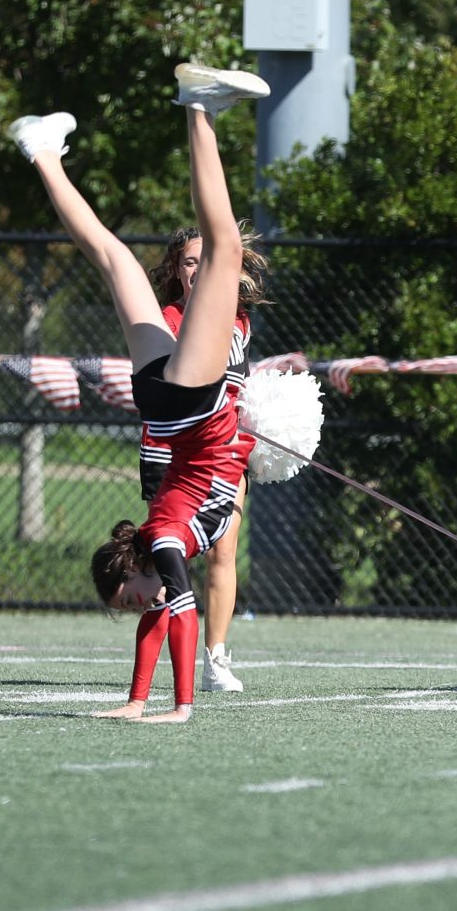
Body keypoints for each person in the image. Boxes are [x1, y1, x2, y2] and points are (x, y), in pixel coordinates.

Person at [9, 62, 268, 723]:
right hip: (169, 401)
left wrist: (180, 707)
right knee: (115, 256)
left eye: (130, 600)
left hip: (187, 404)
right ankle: (41, 152)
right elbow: (165, 614)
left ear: (130, 575)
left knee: (224, 248)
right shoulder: (159, 545)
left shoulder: (162, 541)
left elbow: (176, 611)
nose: (143, 606)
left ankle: (198, 106)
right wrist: (135, 703)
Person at [142, 226, 270, 692]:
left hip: (227, 449)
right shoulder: (168, 319)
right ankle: (160, 652)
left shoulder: (240, 321)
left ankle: (215, 657)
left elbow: (242, 386)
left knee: (224, 551)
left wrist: (260, 421)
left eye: (206, 260)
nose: (198, 269)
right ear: (177, 270)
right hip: (173, 453)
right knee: (169, 556)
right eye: (189, 261)